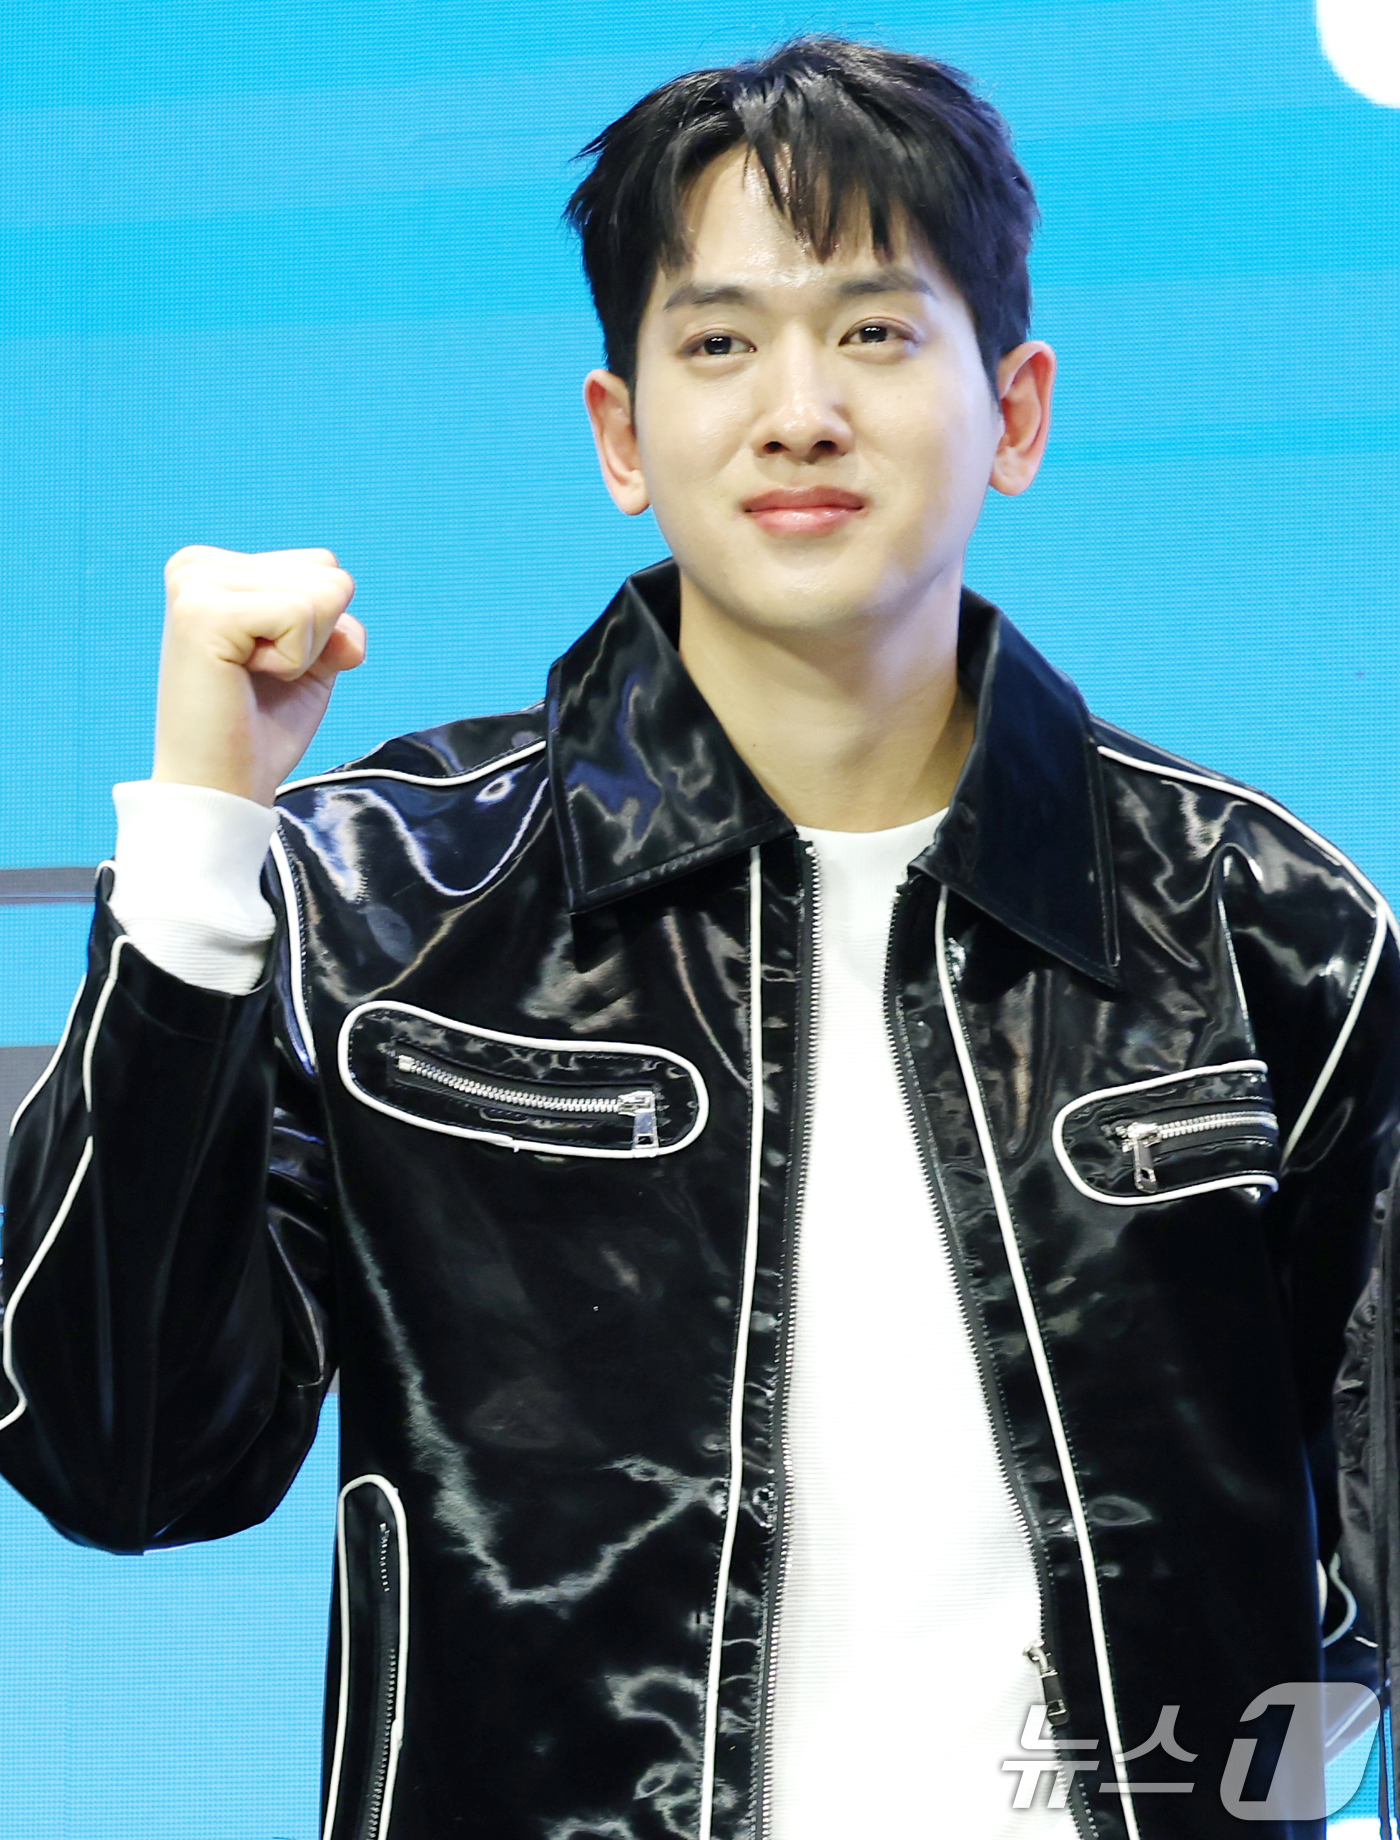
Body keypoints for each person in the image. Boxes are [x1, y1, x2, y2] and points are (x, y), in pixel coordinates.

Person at [1, 36, 1396, 1840]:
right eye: (721, 342)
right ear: (621, 432)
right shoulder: (385, 900)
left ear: (1017, 411)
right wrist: (203, 834)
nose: (798, 411)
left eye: (875, 331)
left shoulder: (1264, 924)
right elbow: (124, 1462)